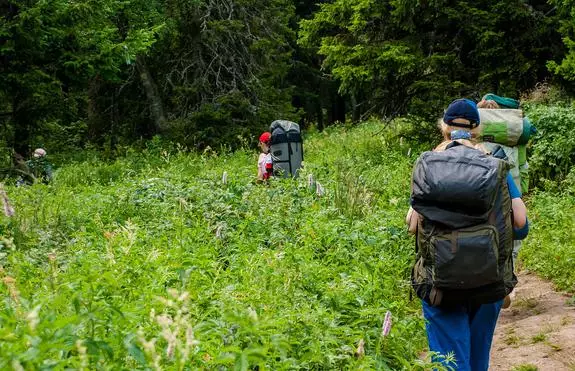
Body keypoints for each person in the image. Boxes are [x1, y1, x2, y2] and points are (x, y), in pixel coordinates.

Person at [406, 98, 529, 371]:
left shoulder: (429, 165)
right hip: (489, 281)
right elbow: (521, 222)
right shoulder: (495, 163)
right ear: (477, 129)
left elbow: (413, 224)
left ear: (444, 127)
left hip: (440, 283)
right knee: (477, 360)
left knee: (450, 363)